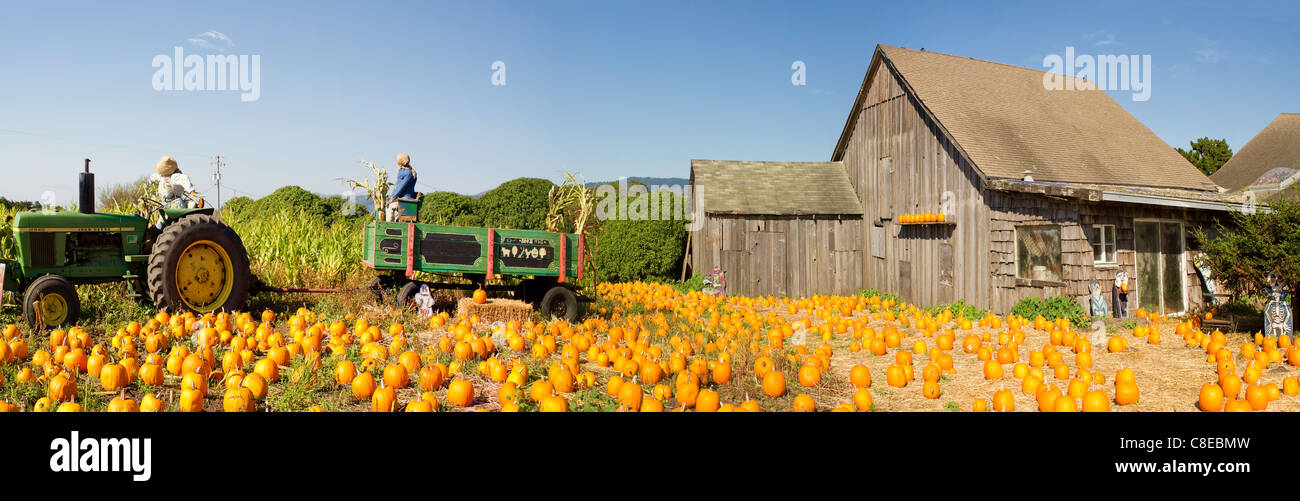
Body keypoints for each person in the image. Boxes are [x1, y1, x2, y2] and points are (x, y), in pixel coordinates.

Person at [386, 153, 418, 222]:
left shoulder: (406, 172)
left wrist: (392, 198)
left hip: (405, 199)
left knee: (390, 206)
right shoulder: (411, 172)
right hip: (407, 198)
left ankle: (388, 226)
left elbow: (400, 187)